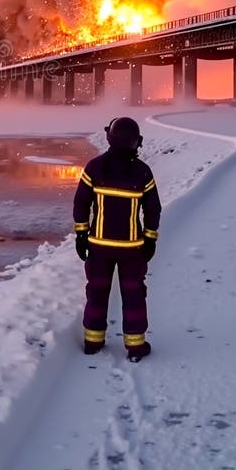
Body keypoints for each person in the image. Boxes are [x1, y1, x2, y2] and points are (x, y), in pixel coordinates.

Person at [73, 117, 161, 362]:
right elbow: (153, 209)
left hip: (99, 247)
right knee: (133, 295)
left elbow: (81, 202)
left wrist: (81, 234)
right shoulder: (143, 171)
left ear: (109, 138)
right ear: (136, 142)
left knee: (97, 292)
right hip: (132, 249)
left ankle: (93, 342)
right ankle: (135, 346)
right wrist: (150, 238)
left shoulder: (94, 167)